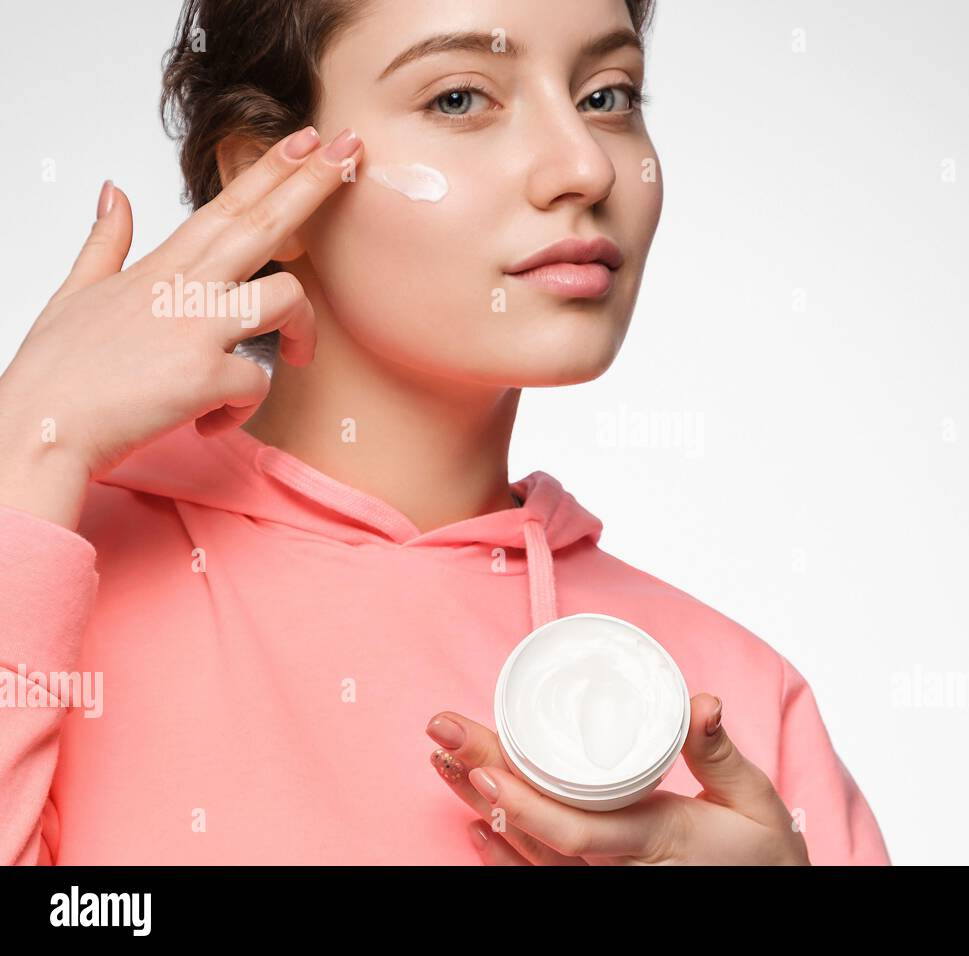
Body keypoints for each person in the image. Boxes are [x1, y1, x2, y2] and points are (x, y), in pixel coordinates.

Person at [0, 0, 890, 865]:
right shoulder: (46, 577)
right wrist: (29, 443)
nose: (584, 167)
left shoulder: (732, 705)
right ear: (265, 177)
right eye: (459, 98)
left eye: (607, 95)